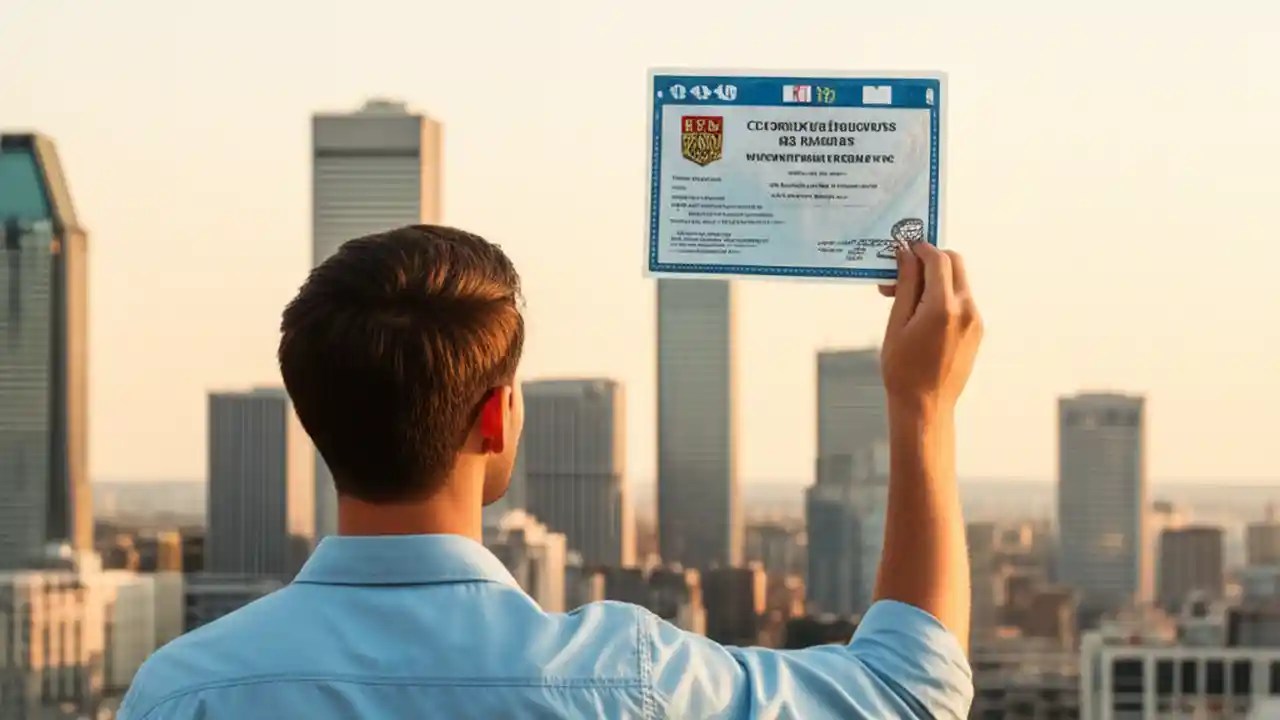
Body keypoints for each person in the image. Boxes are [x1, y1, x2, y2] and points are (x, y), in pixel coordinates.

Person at [120, 225, 982, 719]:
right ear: (496, 419)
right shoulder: (623, 678)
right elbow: (910, 691)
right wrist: (923, 408)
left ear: (314, 421)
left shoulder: (186, 692)